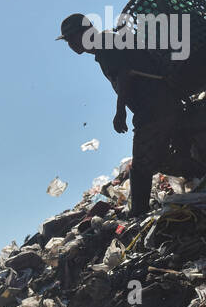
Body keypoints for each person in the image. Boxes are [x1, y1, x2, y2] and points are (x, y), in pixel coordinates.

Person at [57, 13, 184, 218]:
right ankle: (200, 170)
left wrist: (120, 111)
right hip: (159, 104)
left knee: (142, 165)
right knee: (161, 159)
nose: (71, 45)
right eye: (68, 41)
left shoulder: (106, 44)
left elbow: (126, 73)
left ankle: (138, 214)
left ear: (85, 32)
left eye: (72, 38)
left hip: (153, 108)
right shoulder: (105, 44)